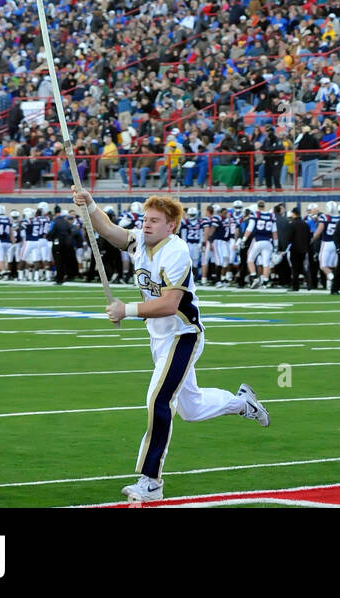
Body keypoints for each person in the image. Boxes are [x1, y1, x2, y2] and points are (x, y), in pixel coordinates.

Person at [72, 189, 270, 505]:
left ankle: (151, 480)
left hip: (183, 335)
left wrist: (128, 310)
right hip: (160, 337)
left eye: (154, 221)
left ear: (171, 226)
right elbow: (108, 230)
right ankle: (241, 403)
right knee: (191, 408)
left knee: (159, 399)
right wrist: (89, 203)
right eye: (145, 219)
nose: (146, 225)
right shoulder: (141, 242)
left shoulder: (176, 252)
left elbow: (169, 304)